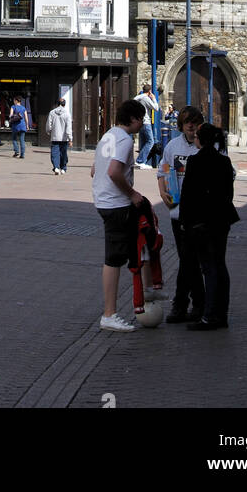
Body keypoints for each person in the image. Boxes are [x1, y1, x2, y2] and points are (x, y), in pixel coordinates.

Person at [92, 99, 152, 332]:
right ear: (134, 118)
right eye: (142, 119)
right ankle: (110, 313)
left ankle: (149, 290)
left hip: (104, 201)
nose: (142, 125)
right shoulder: (126, 140)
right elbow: (113, 171)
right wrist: (132, 192)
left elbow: (94, 169)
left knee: (141, 243)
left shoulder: (107, 135)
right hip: (118, 204)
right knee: (116, 258)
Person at [179, 122, 240, 330]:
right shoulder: (224, 161)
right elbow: (228, 194)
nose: (193, 139)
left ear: (201, 140)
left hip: (202, 222)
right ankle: (222, 314)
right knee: (220, 265)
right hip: (222, 220)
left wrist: (185, 222)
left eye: (196, 137)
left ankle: (210, 315)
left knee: (209, 267)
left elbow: (188, 195)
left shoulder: (196, 161)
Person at [157, 105, 206, 324]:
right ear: (181, 125)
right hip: (178, 213)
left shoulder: (205, 146)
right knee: (188, 260)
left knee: (190, 260)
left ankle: (184, 304)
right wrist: (163, 192)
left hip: (200, 214)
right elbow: (163, 171)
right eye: (188, 122)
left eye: (195, 122)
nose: (191, 126)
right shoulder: (173, 146)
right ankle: (195, 303)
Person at [46, 98, 72, 175]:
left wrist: (49, 131)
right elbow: (69, 127)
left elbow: (48, 125)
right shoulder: (67, 113)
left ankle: (56, 167)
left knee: (54, 153)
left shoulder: (52, 112)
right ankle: (63, 168)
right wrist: (70, 138)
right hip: (64, 137)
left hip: (55, 136)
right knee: (63, 153)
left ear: (57, 104)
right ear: (65, 104)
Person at [135, 83, 159, 166]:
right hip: (146, 122)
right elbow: (156, 108)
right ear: (149, 92)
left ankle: (141, 162)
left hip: (140, 122)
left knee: (142, 142)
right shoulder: (146, 99)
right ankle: (140, 161)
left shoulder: (138, 98)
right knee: (150, 141)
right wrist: (154, 99)